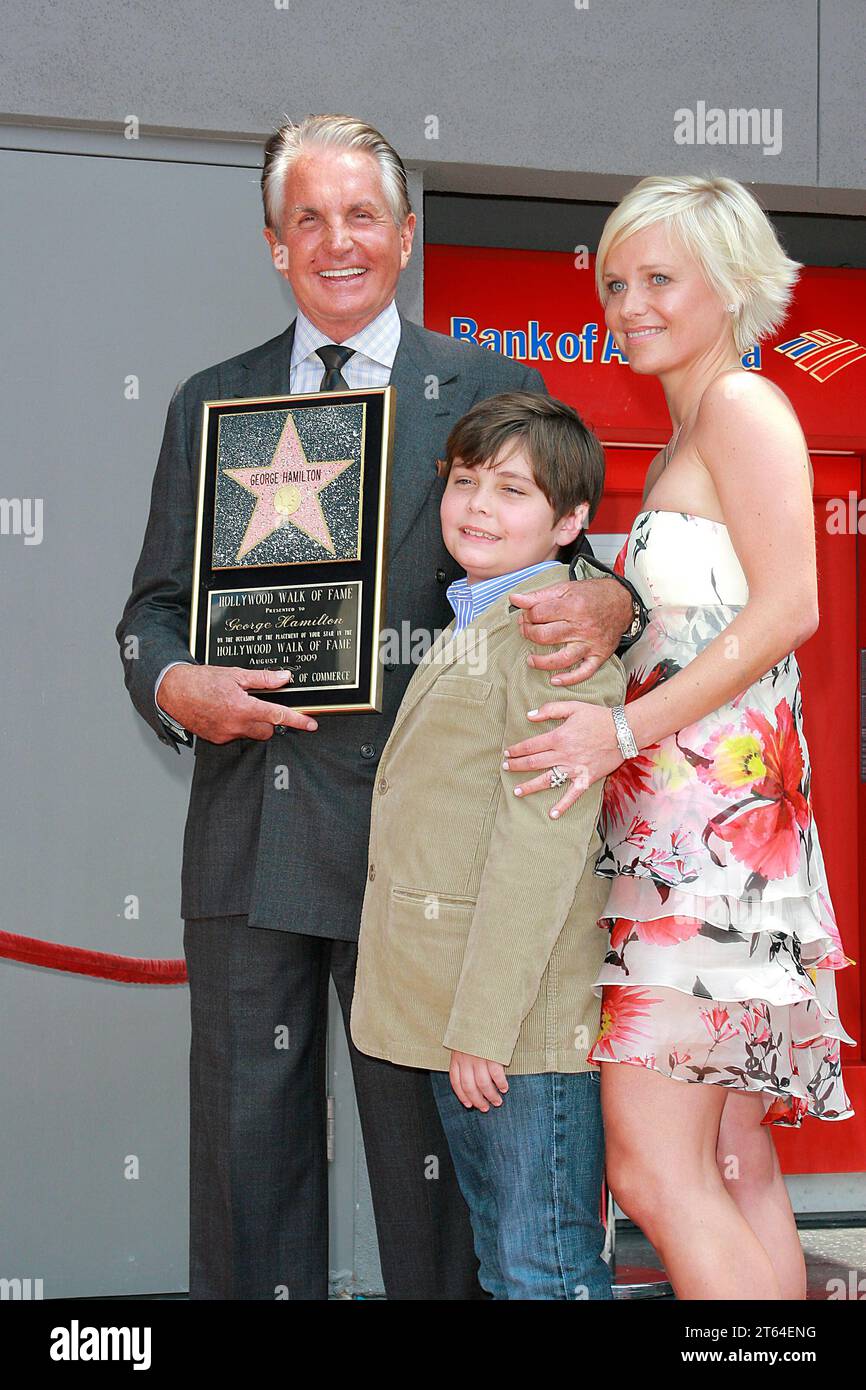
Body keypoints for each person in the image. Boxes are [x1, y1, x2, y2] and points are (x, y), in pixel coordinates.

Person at [115, 114, 640, 1300]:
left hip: (427, 858)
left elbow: (578, 565)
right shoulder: (212, 399)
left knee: (437, 1183)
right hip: (253, 835)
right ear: (271, 243)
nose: (334, 240)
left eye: (361, 216)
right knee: (246, 1165)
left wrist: (613, 605)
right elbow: (151, 605)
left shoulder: (491, 383)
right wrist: (172, 681)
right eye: (307, 218)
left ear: (404, 235)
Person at [501, 174, 855, 1301]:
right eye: (614, 281)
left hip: (702, 854)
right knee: (733, 1162)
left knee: (653, 1170)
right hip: (708, 849)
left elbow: (789, 607)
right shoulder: (687, 435)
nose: (628, 302)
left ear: (731, 282)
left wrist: (619, 727)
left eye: (659, 277)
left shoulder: (743, 410)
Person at [350, 392, 626, 1299]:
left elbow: (539, 851)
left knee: (540, 1270)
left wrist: (482, 1027)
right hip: (467, 1015)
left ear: (572, 520)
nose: (477, 507)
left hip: (515, 1028)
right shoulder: (481, 614)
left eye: (513, 490)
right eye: (466, 482)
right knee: (506, 1263)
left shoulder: (553, 639)